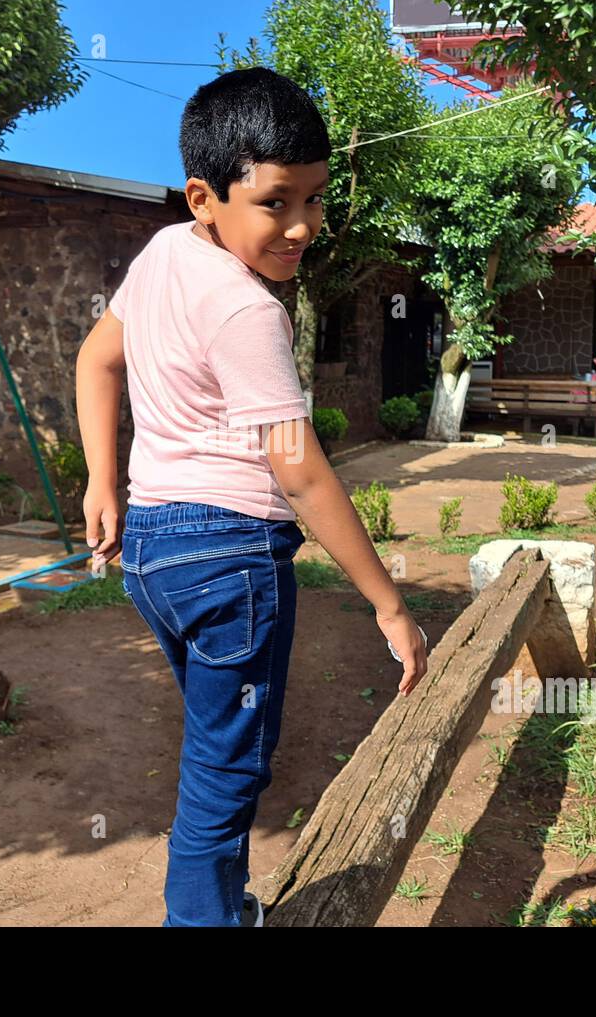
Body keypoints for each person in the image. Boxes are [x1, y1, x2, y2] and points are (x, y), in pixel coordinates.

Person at [74, 66, 428, 928]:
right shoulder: (245, 310)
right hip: (230, 558)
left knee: (218, 751)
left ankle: (226, 906)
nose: (302, 226)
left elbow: (95, 358)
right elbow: (299, 469)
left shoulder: (163, 254)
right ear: (205, 196)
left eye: (314, 199)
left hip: (157, 555)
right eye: (277, 202)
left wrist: (102, 479)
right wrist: (388, 604)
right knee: (224, 772)